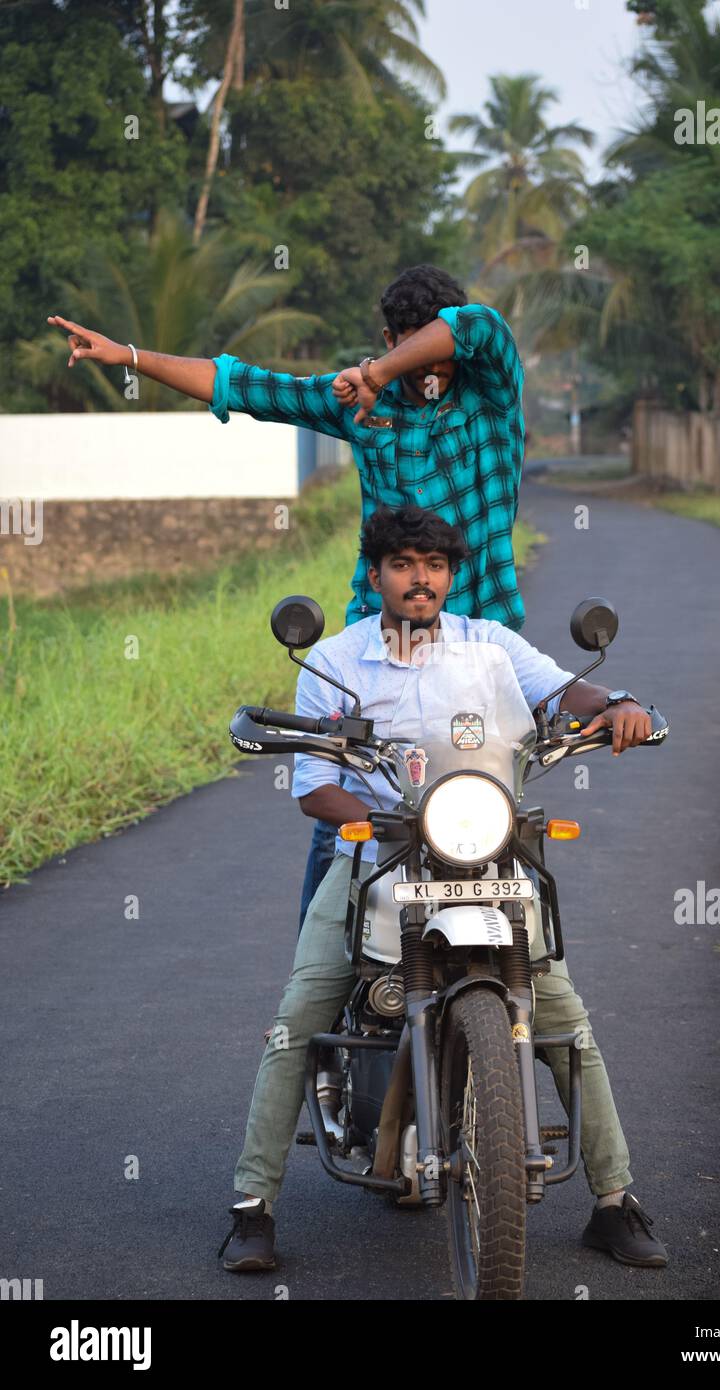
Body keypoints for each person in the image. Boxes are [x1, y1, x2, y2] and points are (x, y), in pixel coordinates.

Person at [217, 504, 669, 1275]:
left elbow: (565, 694)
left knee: (564, 1019)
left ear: (451, 576)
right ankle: (252, 1206)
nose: (418, 578)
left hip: (487, 856)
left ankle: (614, 1199)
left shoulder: (489, 648)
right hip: (380, 858)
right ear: (376, 575)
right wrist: (387, 823)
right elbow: (316, 788)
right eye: (401, 564)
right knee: (301, 1014)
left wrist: (617, 705)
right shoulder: (334, 662)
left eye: (432, 565)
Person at [47, 264, 528, 931]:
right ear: (388, 336)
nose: (427, 374)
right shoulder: (361, 404)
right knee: (348, 817)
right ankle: (319, 987)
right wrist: (127, 355)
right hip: (376, 651)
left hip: (478, 650)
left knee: (494, 824)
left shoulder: (492, 395)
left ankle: (523, 1000)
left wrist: (380, 371)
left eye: (435, 358)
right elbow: (242, 385)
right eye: (405, 351)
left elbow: (475, 326)